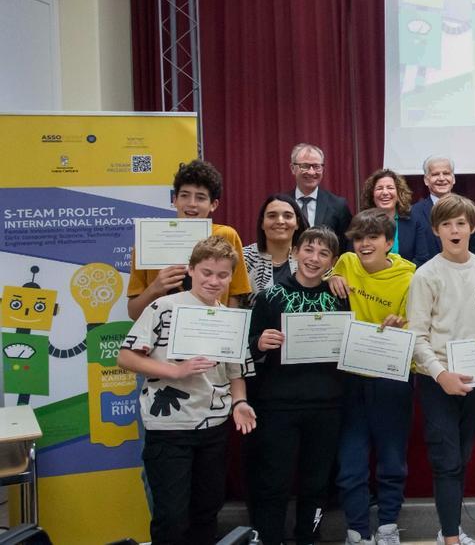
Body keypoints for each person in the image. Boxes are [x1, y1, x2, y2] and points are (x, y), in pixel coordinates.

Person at [118, 236, 257, 544]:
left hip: (214, 429)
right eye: (207, 272)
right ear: (191, 270)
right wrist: (175, 370)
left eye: (222, 275)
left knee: (207, 512)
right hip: (169, 429)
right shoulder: (163, 307)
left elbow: (236, 373)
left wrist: (240, 403)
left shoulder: (230, 319)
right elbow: (125, 356)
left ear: (231, 277)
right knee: (171, 518)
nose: (214, 281)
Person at [408, 194, 475, 545]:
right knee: (446, 459)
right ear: (436, 230)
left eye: (460, 223)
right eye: (446, 224)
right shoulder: (425, 275)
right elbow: (416, 336)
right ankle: (452, 538)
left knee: (463, 455)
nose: (454, 230)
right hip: (436, 380)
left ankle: (448, 529)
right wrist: (441, 374)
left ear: (472, 227)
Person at [245, 227, 347, 545]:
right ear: (295, 253)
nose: (314, 258)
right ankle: (270, 538)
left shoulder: (339, 298)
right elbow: (242, 349)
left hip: (326, 405)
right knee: (273, 481)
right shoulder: (268, 297)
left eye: (323, 253)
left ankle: (308, 537)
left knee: (316, 483)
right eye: (308, 250)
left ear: (331, 261)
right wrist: (259, 342)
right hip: (277, 405)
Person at [326, 208, 417, 545]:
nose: (364, 244)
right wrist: (329, 277)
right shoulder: (345, 263)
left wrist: (402, 323)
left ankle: (389, 526)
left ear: (388, 243)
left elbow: (418, 324)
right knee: (351, 463)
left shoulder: (410, 276)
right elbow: (318, 279)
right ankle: (358, 531)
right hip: (349, 378)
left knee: (392, 459)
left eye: (373, 238)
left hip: (392, 377)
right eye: (359, 238)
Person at [127, 159, 253, 320]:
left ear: (213, 204)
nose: (191, 204)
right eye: (185, 196)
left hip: (210, 332)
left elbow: (235, 296)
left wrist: (224, 329)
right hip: (160, 337)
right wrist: (155, 288)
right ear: (175, 200)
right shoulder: (148, 241)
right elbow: (133, 313)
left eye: (200, 198)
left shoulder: (226, 236)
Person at [242, 193, 309, 302]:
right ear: (262, 223)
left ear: (297, 223)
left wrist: (334, 279)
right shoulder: (244, 258)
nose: (280, 221)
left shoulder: (309, 258)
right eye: (272, 216)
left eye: (287, 216)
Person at [288, 142, 353, 253]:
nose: (311, 172)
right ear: (293, 168)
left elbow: (347, 245)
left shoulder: (338, 205)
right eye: (305, 166)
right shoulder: (281, 203)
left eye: (317, 166)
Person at [359, 167, 432, 266]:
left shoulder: (414, 220)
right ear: (372, 195)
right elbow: (354, 258)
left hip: (406, 279)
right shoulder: (361, 222)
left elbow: (421, 258)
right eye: (379, 188)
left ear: (399, 194)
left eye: (390, 188)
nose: (385, 193)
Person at [411, 155, 457, 256]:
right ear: (426, 180)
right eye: (435, 174)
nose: (441, 178)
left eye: (446, 173)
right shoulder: (414, 212)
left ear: (453, 179)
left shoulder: (466, 209)